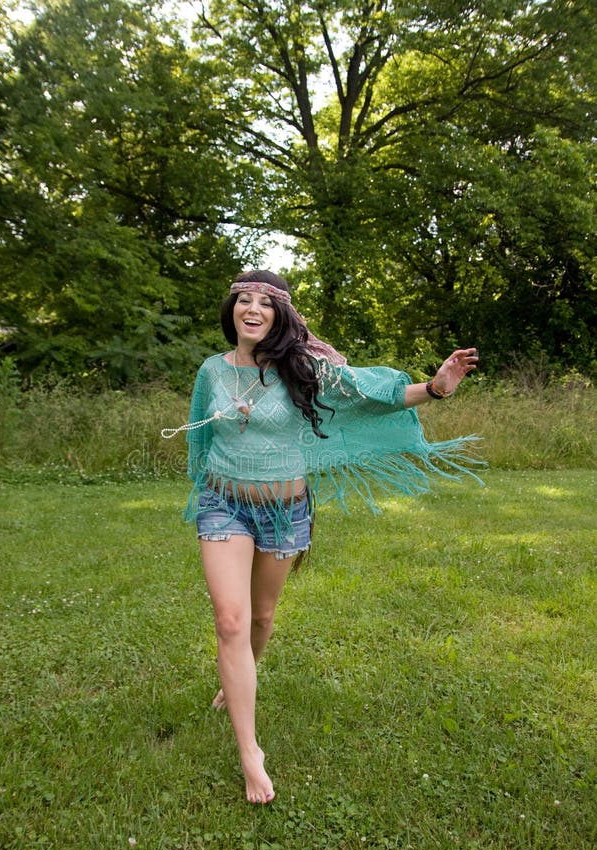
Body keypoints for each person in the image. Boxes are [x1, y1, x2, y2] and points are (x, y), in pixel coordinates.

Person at [162, 269, 481, 805]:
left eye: (265, 302)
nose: (253, 309)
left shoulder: (300, 367)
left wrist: (434, 387)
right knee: (231, 619)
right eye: (244, 300)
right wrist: (201, 490)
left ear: (280, 314)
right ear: (232, 311)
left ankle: (236, 678)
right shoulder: (211, 372)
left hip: (284, 510)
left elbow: (367, 394)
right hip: (223, 504)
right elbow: (199, 439)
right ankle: (249, 752)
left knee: (260, 618)